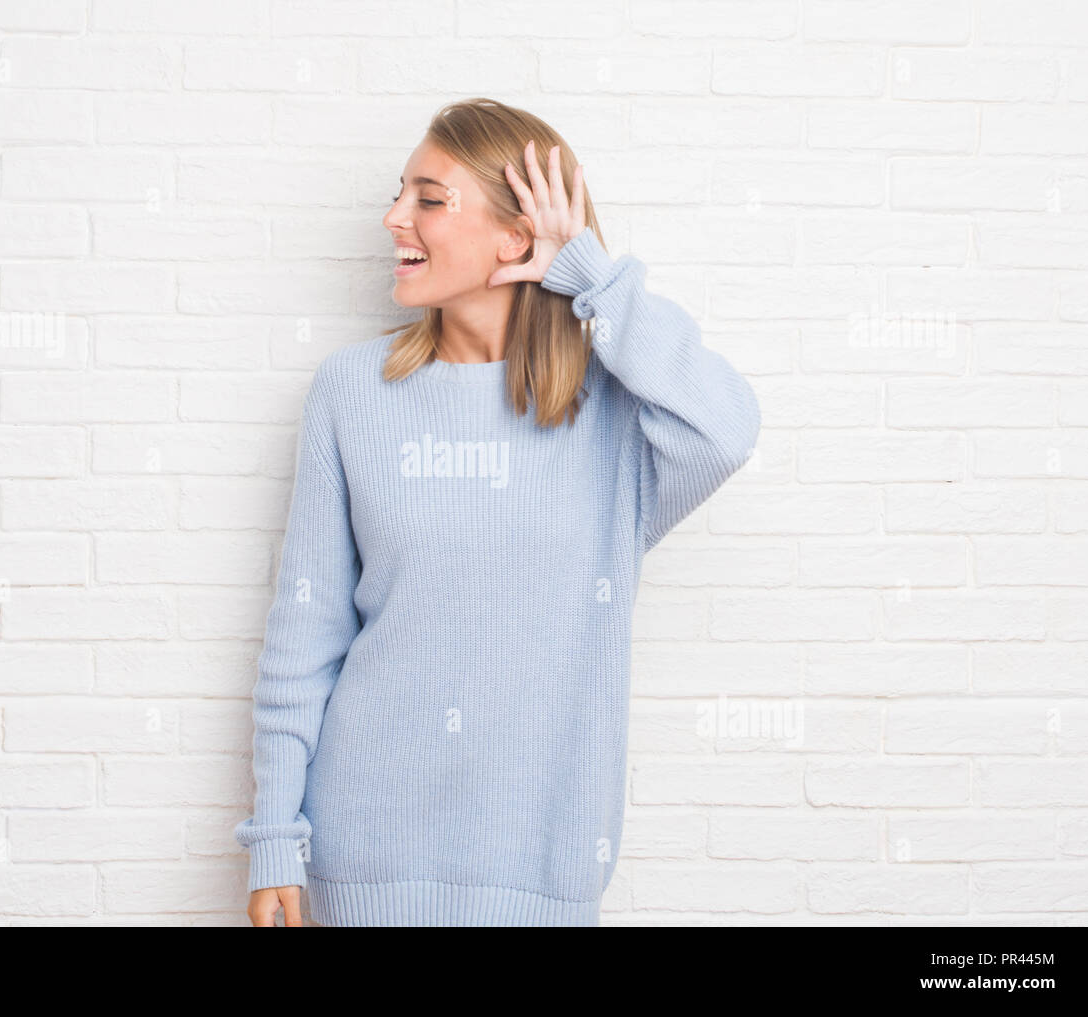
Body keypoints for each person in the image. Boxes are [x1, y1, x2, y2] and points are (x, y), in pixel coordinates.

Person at [236, 97, 761, 927]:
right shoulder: (351, 394)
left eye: (429, 199)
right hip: (362, 869)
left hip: (541, 883)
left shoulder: (612, 419)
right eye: (399, 191)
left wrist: (593, 278)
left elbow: (726, 430)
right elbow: (306, 637)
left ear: (515, 239)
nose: (393, 216)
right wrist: (274, 836)